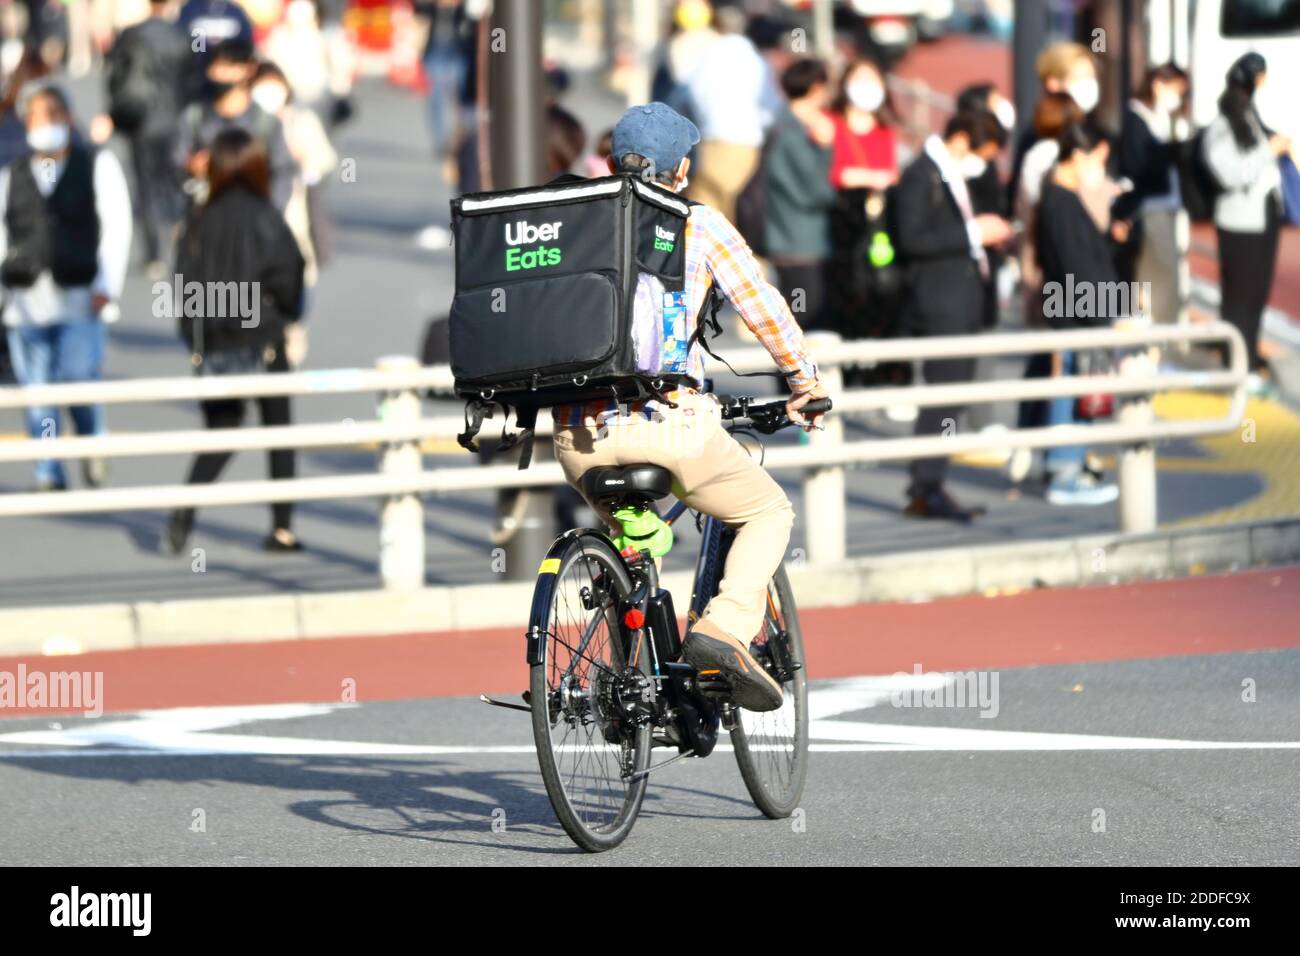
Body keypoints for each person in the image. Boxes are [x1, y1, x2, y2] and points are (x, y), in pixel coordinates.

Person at [552, 102, 829, 713]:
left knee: (633, 533)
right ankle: (724, 626)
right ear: (681, 170)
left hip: (577, 437)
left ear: (609, 160)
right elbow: (762, 307)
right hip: (669, 426)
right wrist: (803, 380)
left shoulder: (569, 220)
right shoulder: (696, 223)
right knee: (766, 512)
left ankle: (631, 685)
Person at [165, 128, 306, 554]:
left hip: (214, 344)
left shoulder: (198, 217)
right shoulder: (266, 216)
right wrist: (285, 314)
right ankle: (282, 528)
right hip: (263, 339)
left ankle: (185, 508)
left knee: (221, 432)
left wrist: (194, 334)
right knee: (278, 432)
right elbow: (289, 274)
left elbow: (183, 283)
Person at [0, 82, 131, 491]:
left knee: (78, 377)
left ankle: (93, 441)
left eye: (54, 114)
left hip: (80, 296)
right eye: (38, 116)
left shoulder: (98, 165)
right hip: (25, 302)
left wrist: (107, 285)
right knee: (37, 392)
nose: (46, 124)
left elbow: (116, 225)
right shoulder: (11, 176)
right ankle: (48, 468)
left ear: (69, 119)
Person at [893, 112, 1013, 521]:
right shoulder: (921, 174)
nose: (983, 162)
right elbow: (911, 238)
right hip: (939, 301)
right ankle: (925, 485)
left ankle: (930, 484)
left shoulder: (945, 172)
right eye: (982, 152)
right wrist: (973, 233)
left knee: (952, 396)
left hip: (960, 299)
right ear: (962, 139)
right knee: (942, 397)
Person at [1034, 122, 1123, 506]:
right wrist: (1105, 312)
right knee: (1073, 389)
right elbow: (1077, 264)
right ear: (1078, 155)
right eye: (1098, 159)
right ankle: (1065, 474)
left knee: (1076, 389)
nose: (1100, 169)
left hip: (1075, 308)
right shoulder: (1062, 202)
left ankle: (1069, 467)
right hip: (1080, 313)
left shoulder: (1058, 199)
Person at [1202, 52, 1290, 397]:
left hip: (1263, 216)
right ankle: (1237, 367)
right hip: (1238, 221)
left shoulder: (1250, 116)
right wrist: (1269, 150)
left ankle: (1249, 358)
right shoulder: (1222, 126)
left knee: (1256, 295)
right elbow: (1231, 173)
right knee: (1239, 296)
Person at [825, 56, 903, 389]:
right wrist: (861, 176)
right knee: (842, 293)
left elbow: (892, 173)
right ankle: (844, 370)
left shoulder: (886, 130)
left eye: (874, 80)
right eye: (861, 79)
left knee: (879, 291)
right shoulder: (832, 124)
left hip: (876, 221)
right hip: (840, 220)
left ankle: (875, 370)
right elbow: (828, 173)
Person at [100, 0, 190, 277]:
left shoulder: (130, 34)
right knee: (175, 180)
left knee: (146, 186)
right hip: (173, 118)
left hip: (140, 120)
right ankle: (178, 237)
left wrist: (115, 111)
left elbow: (113, 72)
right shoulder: (182, 35)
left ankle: (154, 253)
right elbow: (192, 77)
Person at [174, 37, 295, 212]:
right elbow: (173, 164)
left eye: (230, 66)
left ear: (249, 68)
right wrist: (191, 167)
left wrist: (271, 216)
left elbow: (282, 170)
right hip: (205, 216)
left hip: (252, 217)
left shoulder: (265, 122)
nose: (222, 74)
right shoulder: (194, 117)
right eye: (217, 66)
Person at [250, 61, 336, 304]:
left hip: (294, 211)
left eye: (272, 86)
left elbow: (325, 158)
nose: (267, 94)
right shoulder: (246, 122)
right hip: (254, 211)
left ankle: (292, 323)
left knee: (297, 283)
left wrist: (304, 160)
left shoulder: (301, 119)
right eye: (260, 87)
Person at [683, 8, 779, 223]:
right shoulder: (755, 60)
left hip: (710, 137)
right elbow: (770, 105)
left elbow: (691, 93)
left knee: (707, 201)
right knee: (731, 203)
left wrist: (705, 120)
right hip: (746, 141)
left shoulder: (708, 55)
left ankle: (700, 251)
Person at [763, 57, 836, 330]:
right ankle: (793, 374)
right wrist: (825, 149)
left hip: (790, 241)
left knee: (796, 320)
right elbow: (815, 190)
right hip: (799, 244)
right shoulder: (793, 135)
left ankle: (790, 373)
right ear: (817, 88)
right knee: (803, 322)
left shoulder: (781, 126)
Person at [1117, 63, 1189, 325]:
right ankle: (1161, 335)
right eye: (1175, 89)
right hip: (1150, 206)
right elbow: (1138, 164)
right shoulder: (1137, 118)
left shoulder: (1163, 118)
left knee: (1163, 274)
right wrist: (1172, 153)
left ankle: (1161, 333)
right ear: (1158, 84)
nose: (1178, 97)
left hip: (1167, 204)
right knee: (1161, 274)